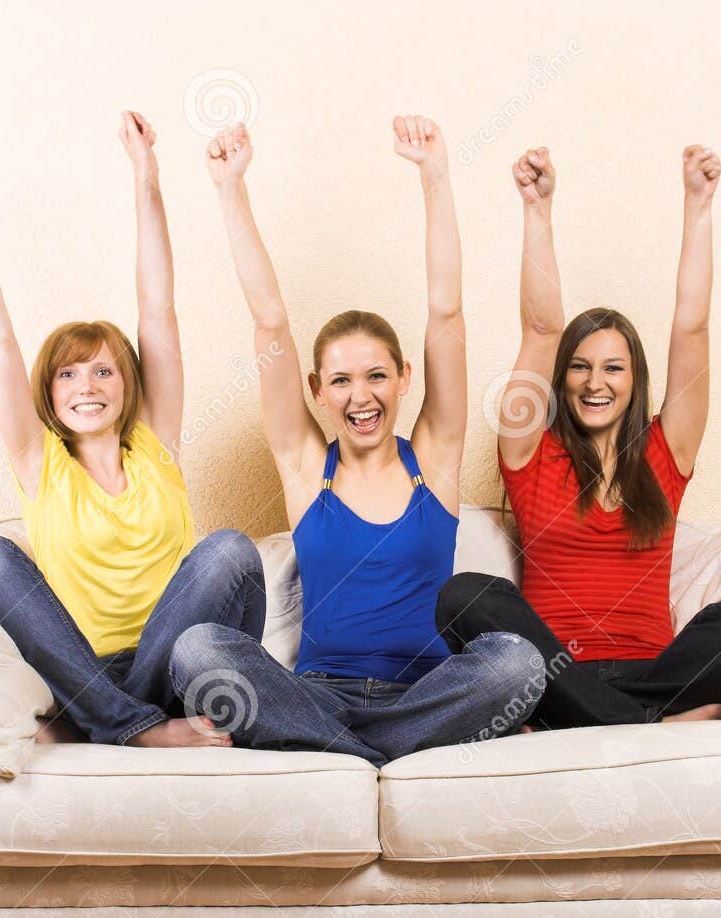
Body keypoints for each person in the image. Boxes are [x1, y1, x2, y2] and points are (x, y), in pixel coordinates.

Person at [169, 117, 543, 766]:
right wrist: (231, 190)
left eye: (375, 375)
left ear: (404, 378)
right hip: (316, 697)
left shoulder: (433, 458)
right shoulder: (306, 464)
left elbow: (446, 314)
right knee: (197, 648)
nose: (359, 395)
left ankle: (344, 755)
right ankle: (378, 752)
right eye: (340, 379)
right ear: (317, 389)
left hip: (426, 693)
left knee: (518, 663)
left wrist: (435, 178)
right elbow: (269, 321)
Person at [0, 114, 264, 749]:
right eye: (68, 374)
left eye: (104, 370)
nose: (87, 385)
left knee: (229, 552)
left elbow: (157, 309)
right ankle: (126, 727)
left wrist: (147, 176)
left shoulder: (155, 443)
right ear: (49, 396)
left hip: (175, 667)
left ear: (127, 384)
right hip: (81, 671)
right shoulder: (40, 462)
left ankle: (114, 724)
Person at [438, 143, 721, 729]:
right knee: (463, 594)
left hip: (651, 671)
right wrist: (537, 209)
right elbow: (542, 328)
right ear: (559, 379)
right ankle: (649, 726)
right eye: (580, 366)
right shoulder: (528, 451)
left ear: (635, 378)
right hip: (555, 672)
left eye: (613, 368)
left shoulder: (668, 453)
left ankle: (601, 717)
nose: (596, 383)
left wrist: (699, 206)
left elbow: (693, 326)